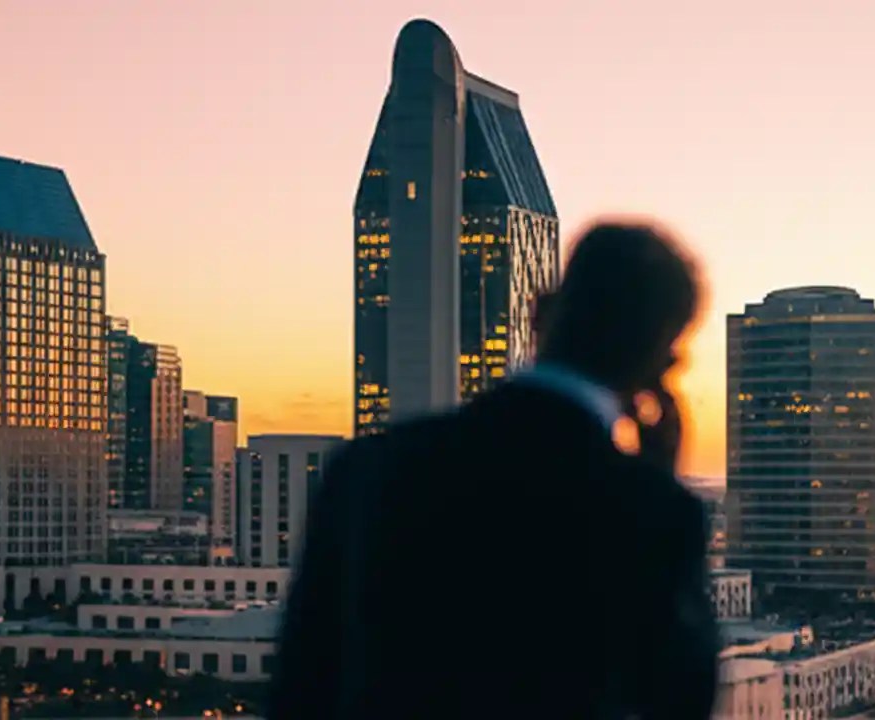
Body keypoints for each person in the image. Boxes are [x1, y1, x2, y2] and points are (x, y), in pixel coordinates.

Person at [270, 222, 719, 719]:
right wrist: (658, 479)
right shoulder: (652, 513)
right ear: (665, 362)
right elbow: (679, 698)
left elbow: (300, 688)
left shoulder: (367, 468)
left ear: (540, 310)